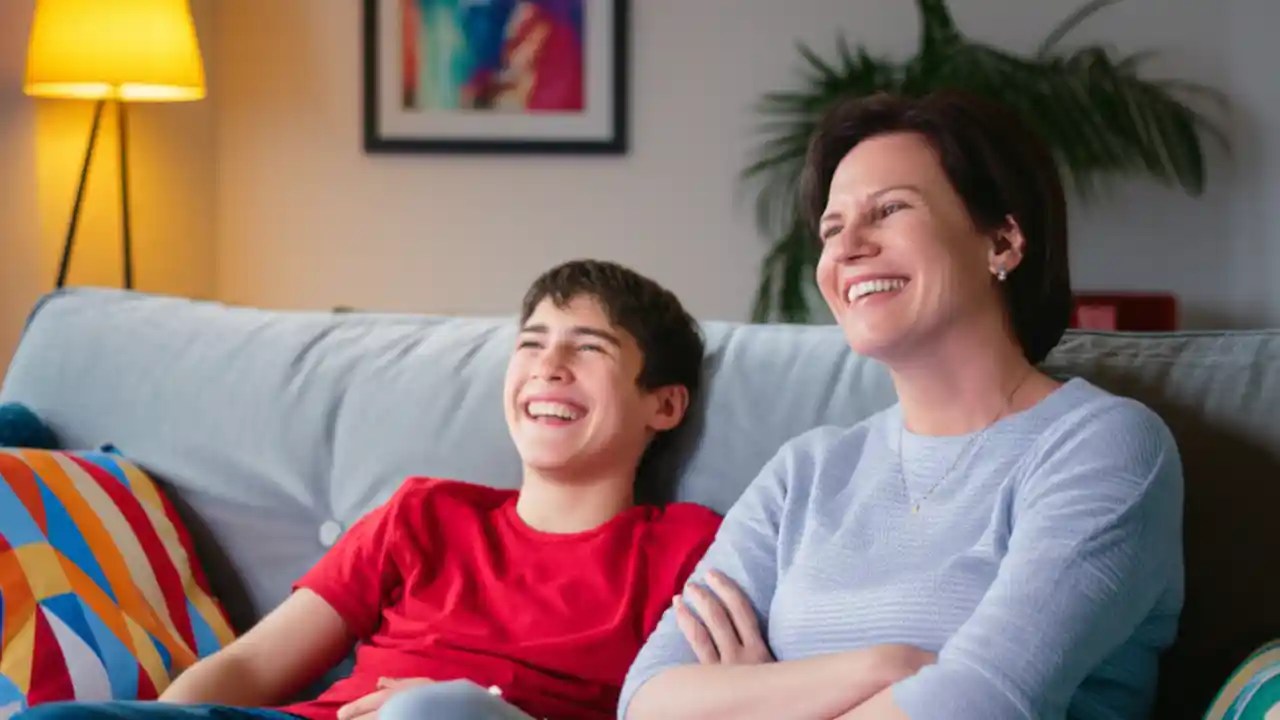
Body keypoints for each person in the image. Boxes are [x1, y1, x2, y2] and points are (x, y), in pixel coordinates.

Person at [621, 91, 1184, 720]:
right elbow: (648, 701)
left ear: (1002, 240)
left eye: (889, 210)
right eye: (832, 229)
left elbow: (982, 703)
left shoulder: (1102, 446)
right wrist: (888, 666)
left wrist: (766, 696)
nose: (848, 247)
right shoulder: (803, 472)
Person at [23, 259, 721, 720]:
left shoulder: (688, 549)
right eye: (532, 343)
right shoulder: (426, 515)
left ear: (664, 405)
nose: (550, 366)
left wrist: (470, 704)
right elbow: (252, 663)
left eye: (590, 347)